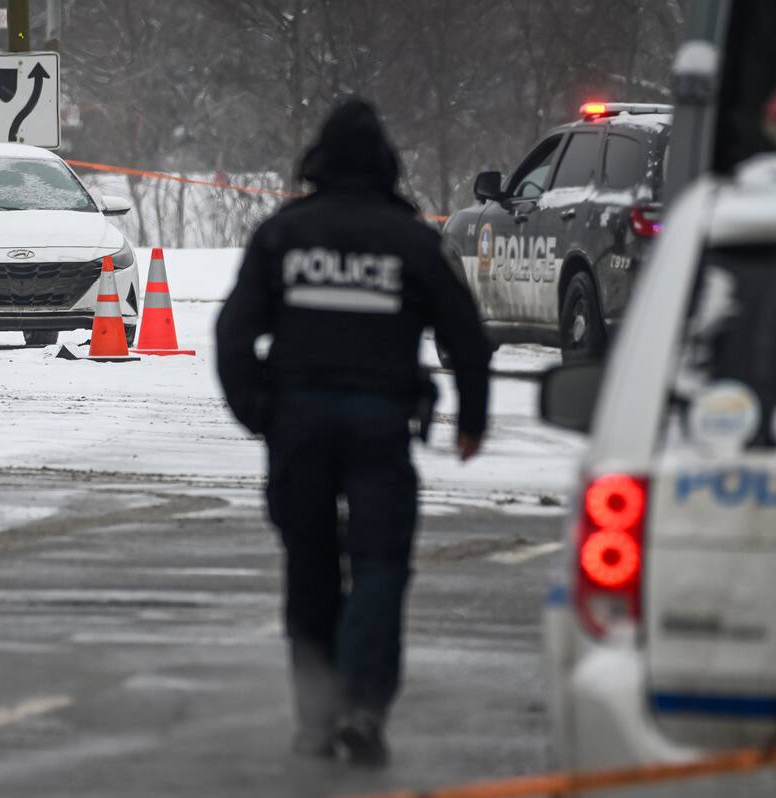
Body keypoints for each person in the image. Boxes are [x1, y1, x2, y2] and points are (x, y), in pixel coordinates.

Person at [215, 98, 491, 766]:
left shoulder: (285, 233)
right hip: (378, 424)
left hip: (299, 423)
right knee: (378, 564)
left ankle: (315, 718)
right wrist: (472, 420)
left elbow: (232, 332)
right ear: (386, 165)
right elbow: (466, 336)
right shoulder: (411, 239)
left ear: (319, 160)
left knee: (308, 563)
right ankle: (363, 707)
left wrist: (260, 411)